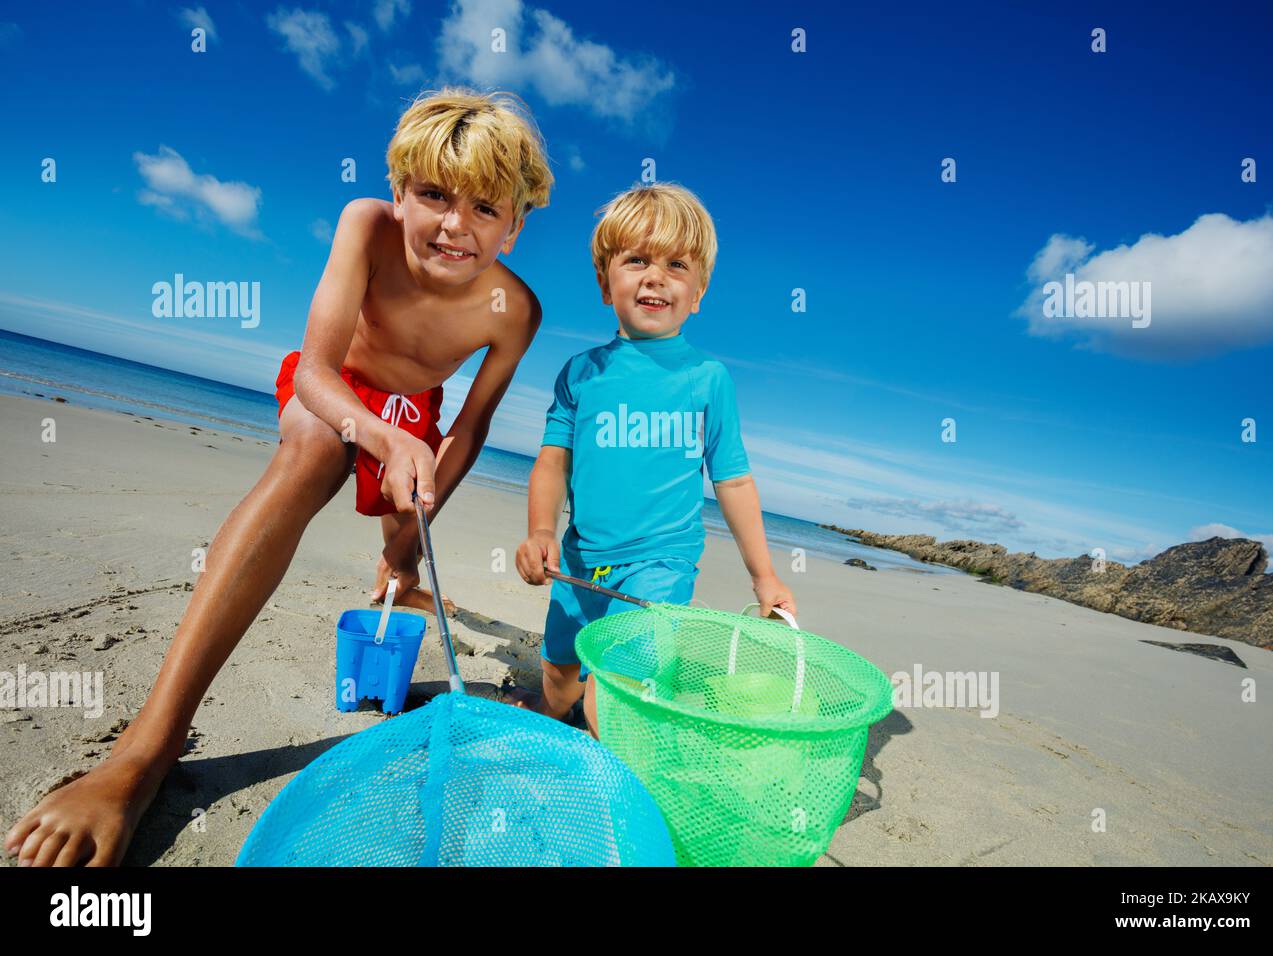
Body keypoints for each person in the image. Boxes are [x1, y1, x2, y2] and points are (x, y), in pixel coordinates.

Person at [5, 87, 554, 866]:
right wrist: (374, 435)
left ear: (515, 224)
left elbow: (471, 428)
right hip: (335, 390)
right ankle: (144, 749)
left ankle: (396, 567)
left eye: (484, 208)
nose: (454, 224)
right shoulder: (366, 226)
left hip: (418, 413)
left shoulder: (514, 310)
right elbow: (317, 371)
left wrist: (416, 484)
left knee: (404, 536)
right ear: (400, 192)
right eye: (432, 195)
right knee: (317, 452)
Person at [513, 182, 796, 736]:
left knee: (610, 699)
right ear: (605, 282)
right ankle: (554, 711)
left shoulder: (707, 380)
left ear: (699, 292)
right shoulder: (581, 373)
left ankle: (610, 789)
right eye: (636, 260)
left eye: (676, 264)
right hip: (579, 561)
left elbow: (733, 482)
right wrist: (540, 529)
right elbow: (553, 463)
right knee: (558, 672)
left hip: (659, 567)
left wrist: (764, 577)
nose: (655, 276)